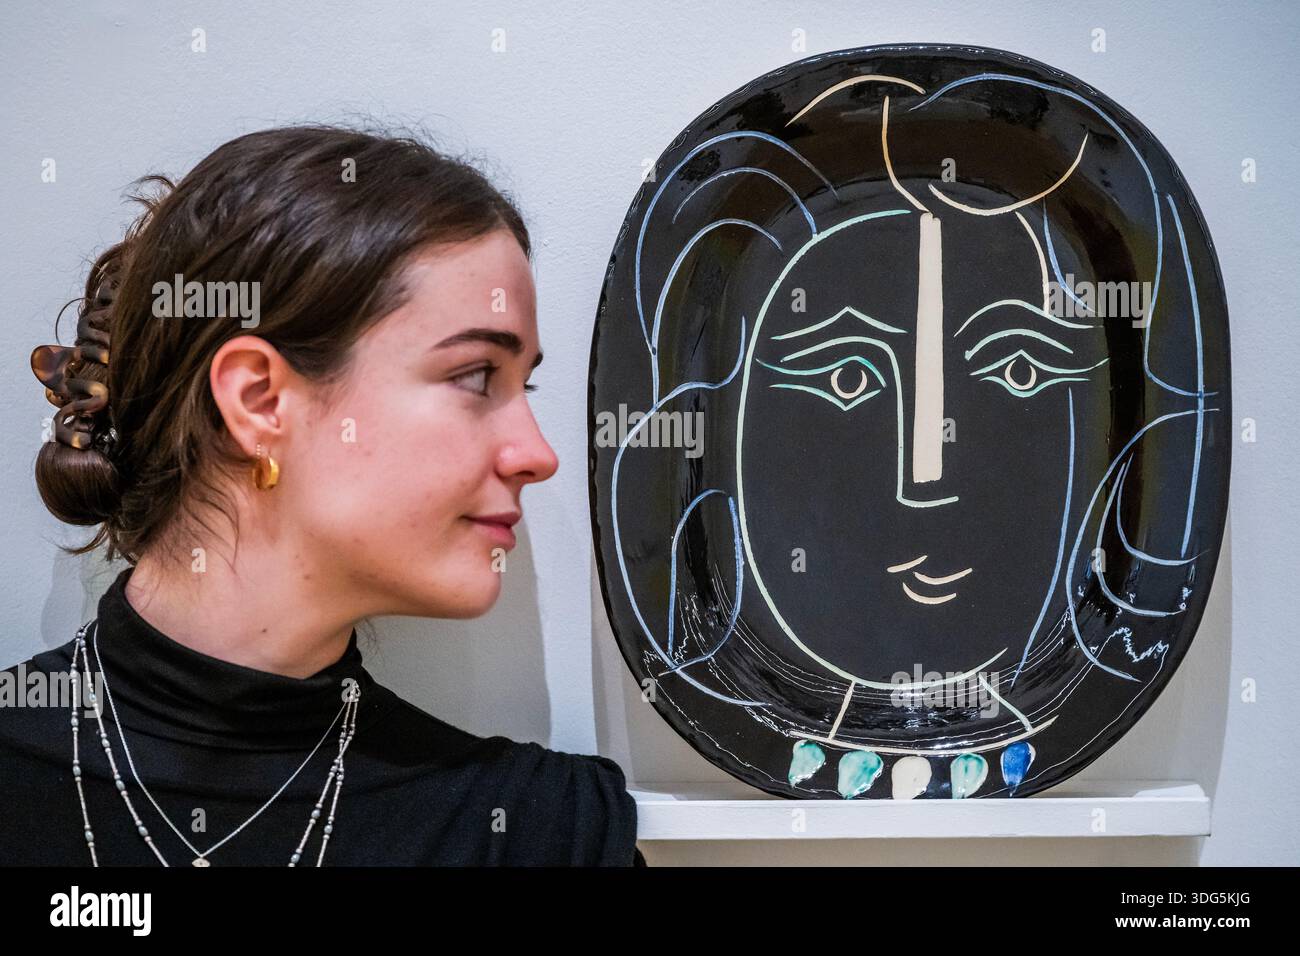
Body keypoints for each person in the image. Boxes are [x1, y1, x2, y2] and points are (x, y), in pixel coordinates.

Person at [0, 125, 645, 866]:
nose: (539, 455)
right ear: (260, 400)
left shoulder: (539, 833)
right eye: (475, 377)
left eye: (521, 385)